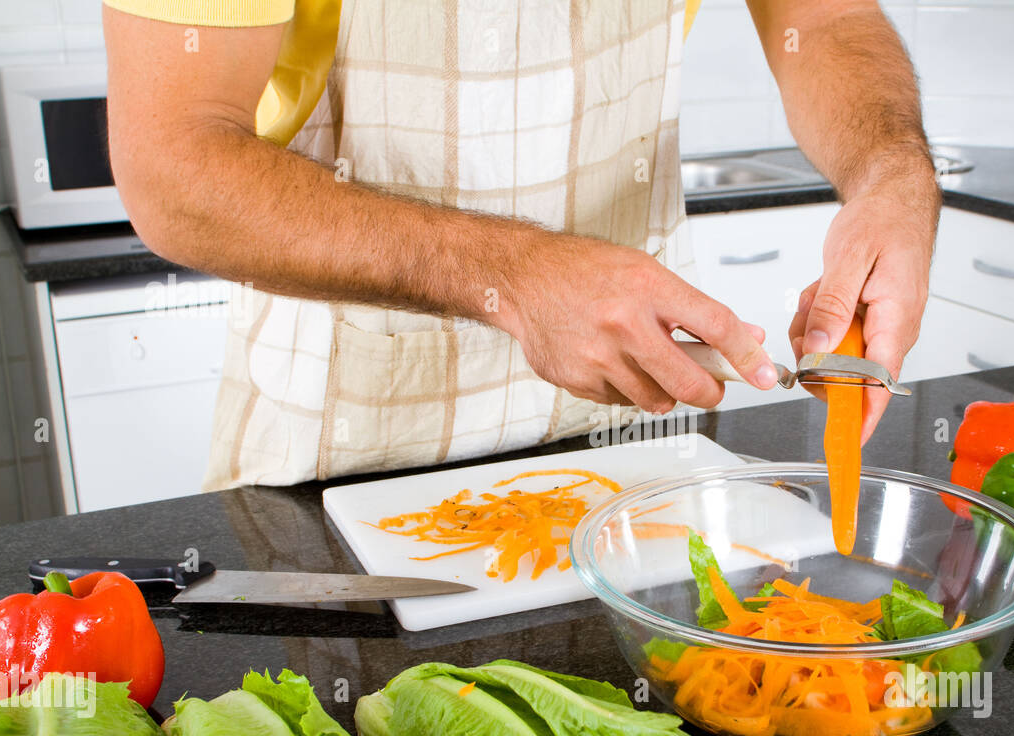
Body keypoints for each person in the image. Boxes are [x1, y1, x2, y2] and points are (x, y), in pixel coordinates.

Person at [102, 0, 939, 489]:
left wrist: (893, 175)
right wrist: (516, 274)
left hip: (638, 439)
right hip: (341, 447)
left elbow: (825, 21)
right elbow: (171, 162)